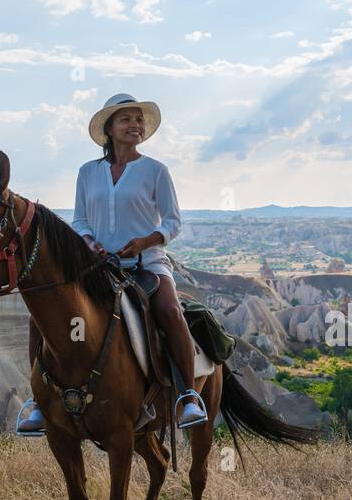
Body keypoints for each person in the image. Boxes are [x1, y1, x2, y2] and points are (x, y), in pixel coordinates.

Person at [16, 93, 208, 434]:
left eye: (139, 120)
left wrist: (146, 241)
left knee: (169, 311)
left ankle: (188, 396)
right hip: (98, 266)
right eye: (126, 119)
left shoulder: (155, 171)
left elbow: (174, 221)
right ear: (109, 128)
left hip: (147, 262)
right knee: (41, 317)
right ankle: (38, 402)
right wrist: (89, 243)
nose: (135, 125)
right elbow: (80, 220)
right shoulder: (88, 173)